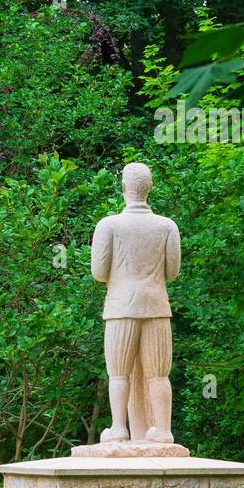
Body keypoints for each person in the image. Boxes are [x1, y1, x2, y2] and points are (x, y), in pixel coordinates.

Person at [90, 162, 181, 443]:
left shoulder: (109, 225)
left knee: (118, 373)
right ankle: (163, 430)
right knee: (158, 375)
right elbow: (172, 272)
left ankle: (119, 428)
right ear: (150, 188)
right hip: (156, 306)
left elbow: (98, 272)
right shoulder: (167, 226)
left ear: (124, 189)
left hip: (120, 308)